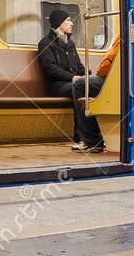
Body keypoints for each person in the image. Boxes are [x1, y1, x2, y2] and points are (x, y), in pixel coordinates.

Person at [37, 8, 106, 153]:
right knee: (79, 87)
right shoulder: (45, 43)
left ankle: (96, 137)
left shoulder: (71, 44)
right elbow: (51, 69)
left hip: (72, 82)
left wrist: (86, 74)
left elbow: (79, 66)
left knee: (86, 86)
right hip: (57, 86)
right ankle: (82, 137)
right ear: (59, 23)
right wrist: (73, 78)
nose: (71, 23)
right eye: (68, 20)